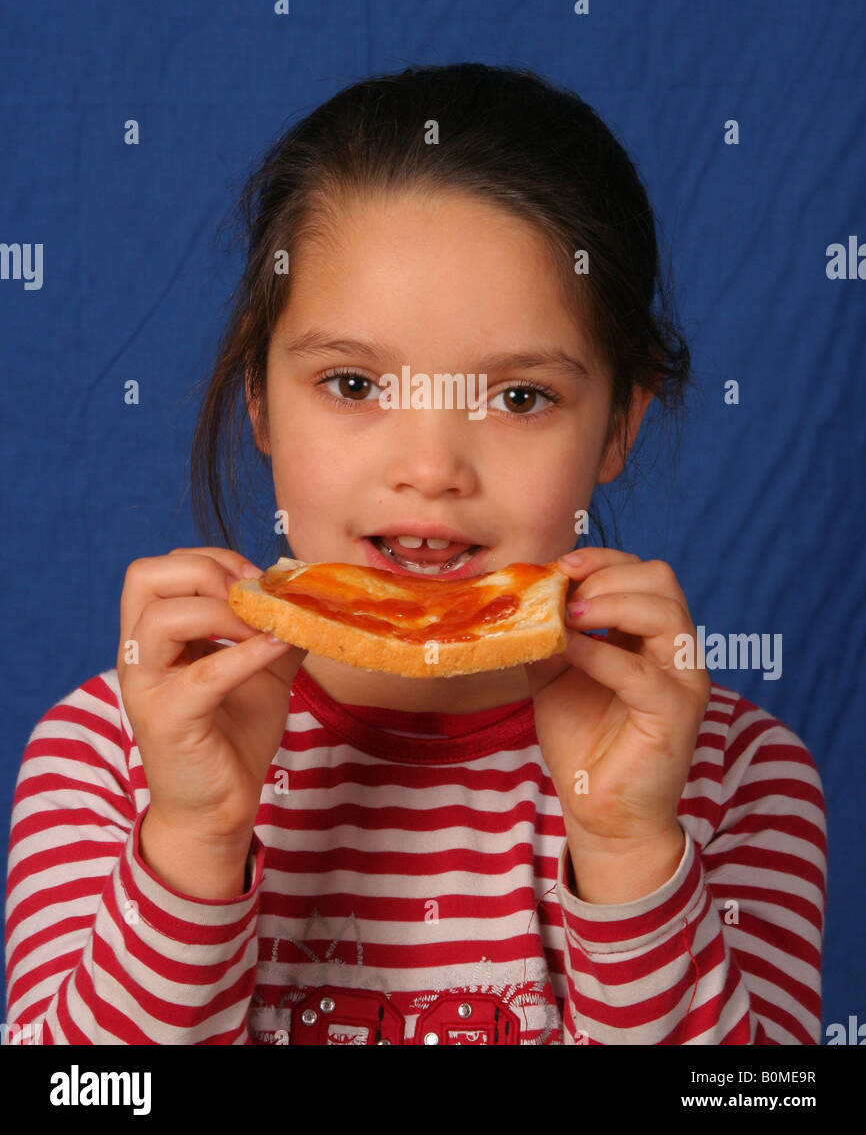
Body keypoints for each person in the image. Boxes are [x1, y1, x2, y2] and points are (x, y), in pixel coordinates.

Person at [4, 64, 826, 1045]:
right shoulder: (108, 755)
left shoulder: (734, 775)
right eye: (352, 383)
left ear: (617, 426)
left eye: (519, 397)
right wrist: (192, 840)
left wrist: (627, 850)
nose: (430, 467)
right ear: (259, 396)